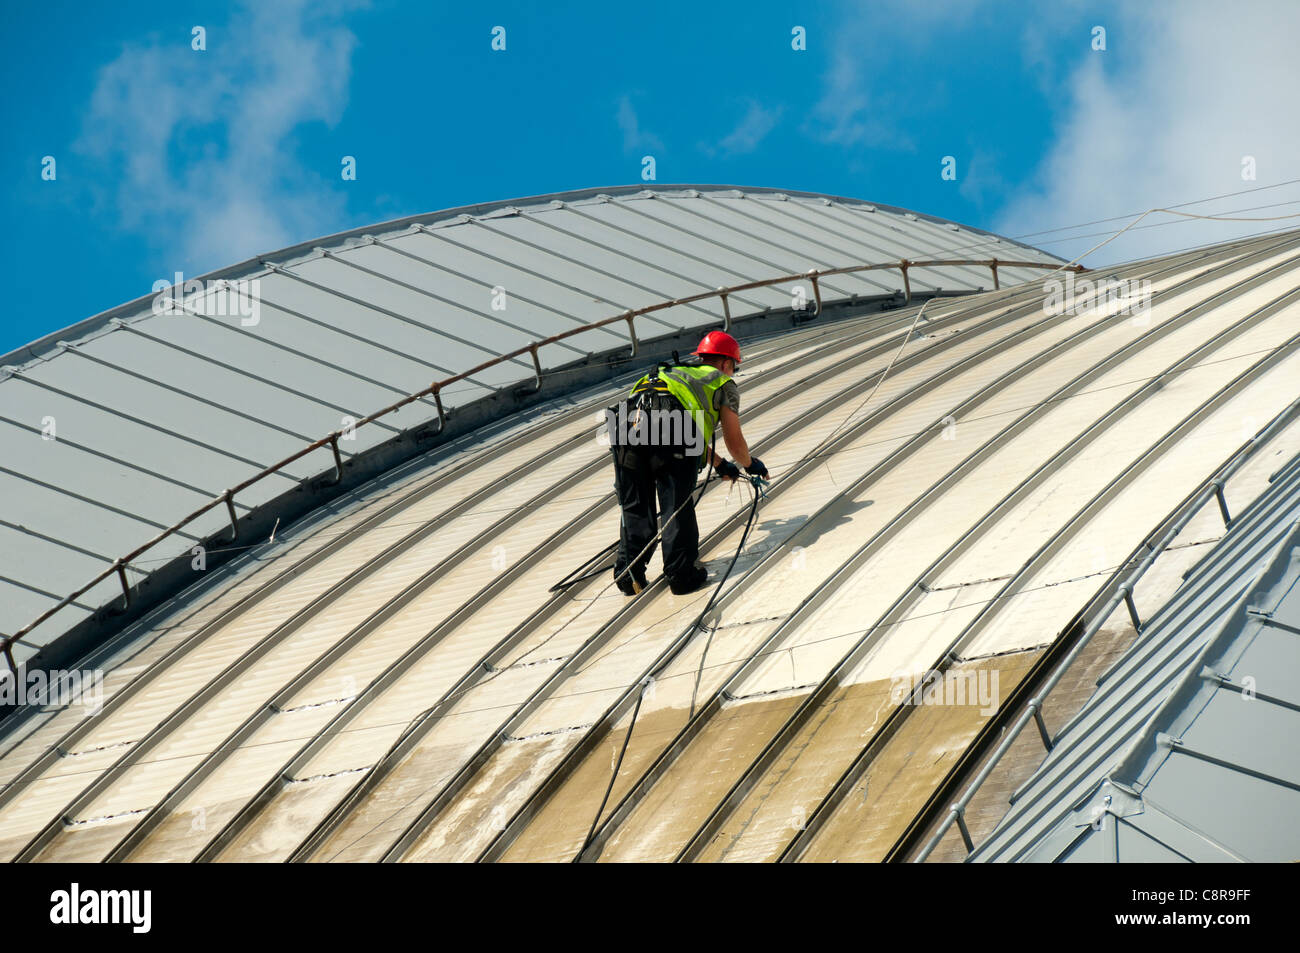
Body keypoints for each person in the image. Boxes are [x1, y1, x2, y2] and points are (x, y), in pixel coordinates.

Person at [608, 330, 768, 596]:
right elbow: (733, 440)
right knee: (675, 506)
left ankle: (629, 575)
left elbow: (680, 426)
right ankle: (681, 576)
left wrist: (718, 464)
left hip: (626, 431)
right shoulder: (720, 382)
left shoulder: (669, 375)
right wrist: (749, 464)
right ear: (726, 363)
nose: (732, 373)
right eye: (733, 368)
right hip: (671, 437)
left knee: (635, 508)